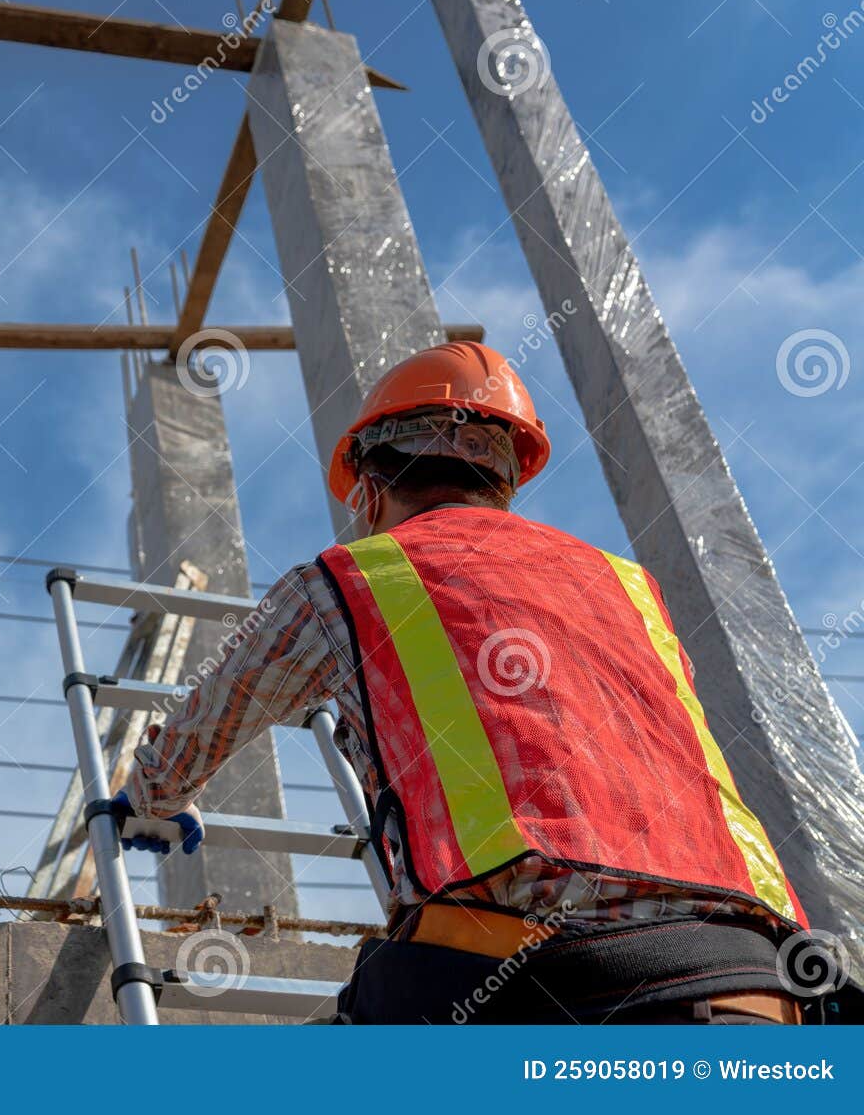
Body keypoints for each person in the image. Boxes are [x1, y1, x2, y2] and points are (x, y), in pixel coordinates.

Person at [114, 340, 813, 1024]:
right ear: (505, 481)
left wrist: (152, 797)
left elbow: (204, 721)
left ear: (372, 488)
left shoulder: (349, 579)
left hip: (531, 982)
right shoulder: (628, 587)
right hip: (755, 982)